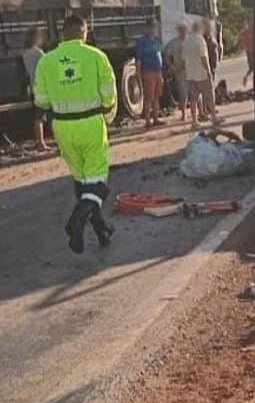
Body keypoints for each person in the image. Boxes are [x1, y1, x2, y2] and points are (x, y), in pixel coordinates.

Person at [34, 16, 117, 253]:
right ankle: (77, 220)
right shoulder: (96, 56)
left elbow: (41, 99)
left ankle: (101, 229)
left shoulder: (46, 62)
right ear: (84, 32)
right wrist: (107, 107)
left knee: (82, 182)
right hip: (90, 122)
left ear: (63, 34)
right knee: (98, 182)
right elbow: (109, 92)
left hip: (62, 126)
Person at [183, 21, 222, 127]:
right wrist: (208, 71)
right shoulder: (200, 40)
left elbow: (184, 59)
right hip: (201, 73)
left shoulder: (186, 41)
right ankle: (214, 118)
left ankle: (194, 121)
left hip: (190, 74)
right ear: (200, 29)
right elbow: (203, 57)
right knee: (209, 96)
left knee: (193, 99)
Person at [22, 27, 50, 150]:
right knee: (52, 116)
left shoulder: (25, 54)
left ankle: (40, 142)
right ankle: (60, 142)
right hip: (44, 87)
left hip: (34, 87)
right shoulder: (39, 53)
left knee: (38, 117)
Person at [134, 19, 165, 128]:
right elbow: (138, 60)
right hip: (148, 72)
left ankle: (156, 118)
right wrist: (138, 73)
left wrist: (161, 72)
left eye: (155, 27)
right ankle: (148, 121)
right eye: (151, 27)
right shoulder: (142, 42)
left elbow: (160, 55)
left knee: (157, 96)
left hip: (158, 72)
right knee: (149, 97)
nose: (153, 29)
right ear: (146, 28)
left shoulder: (157, 40)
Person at [163, 22, 189, 122]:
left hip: (192, 70)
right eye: (180, 29)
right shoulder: (173, 43)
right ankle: (183, 115)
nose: (182, 31)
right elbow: (166, 54)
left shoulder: (191, 41)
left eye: (184, 29)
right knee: (183, 94)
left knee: (196, 94)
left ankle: (199, 113)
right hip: (180, 71)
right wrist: (171, 66)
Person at [239, 19, 255, 87]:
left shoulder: (244, 32)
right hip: (253, 51)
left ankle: (246, 77)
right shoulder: (252, 31)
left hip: (248, 51)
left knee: (251, 67)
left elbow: (241, 40)